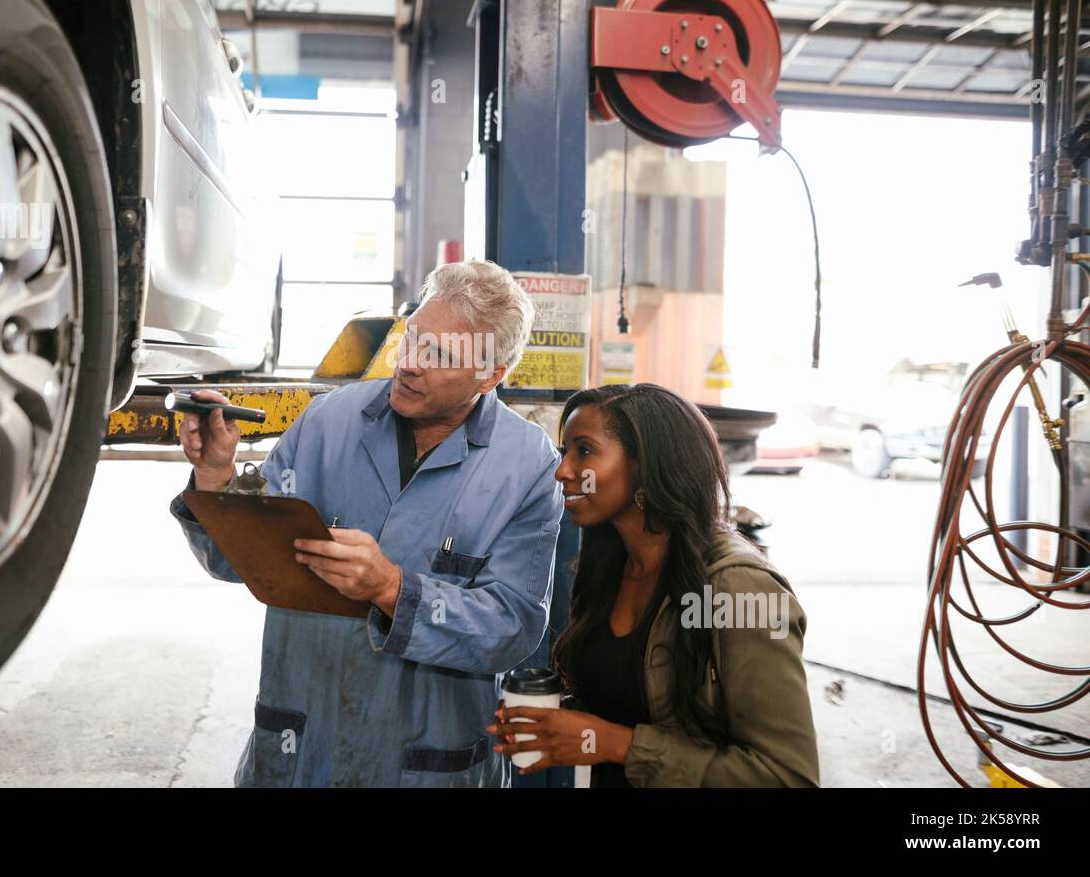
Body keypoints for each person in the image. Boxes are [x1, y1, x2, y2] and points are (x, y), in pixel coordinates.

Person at [169, 260, 564, 787]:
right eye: (412, 339)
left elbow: (512, 630)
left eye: (439, 355)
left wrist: (394, 590)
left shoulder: (527, 466)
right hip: (302, 747)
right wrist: (215, 475)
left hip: (425, 763)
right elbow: (236, 559)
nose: (409, 364)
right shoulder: (329, 422)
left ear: (489, 375)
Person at [488, 383, 819, 787]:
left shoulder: (738, 589)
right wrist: (554, 723)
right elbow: (629, 701)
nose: (563, 470)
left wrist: (617, 745)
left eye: (584, 451)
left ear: (644, 464)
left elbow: (788, 777)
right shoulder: (611, 566)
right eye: (565, 450)